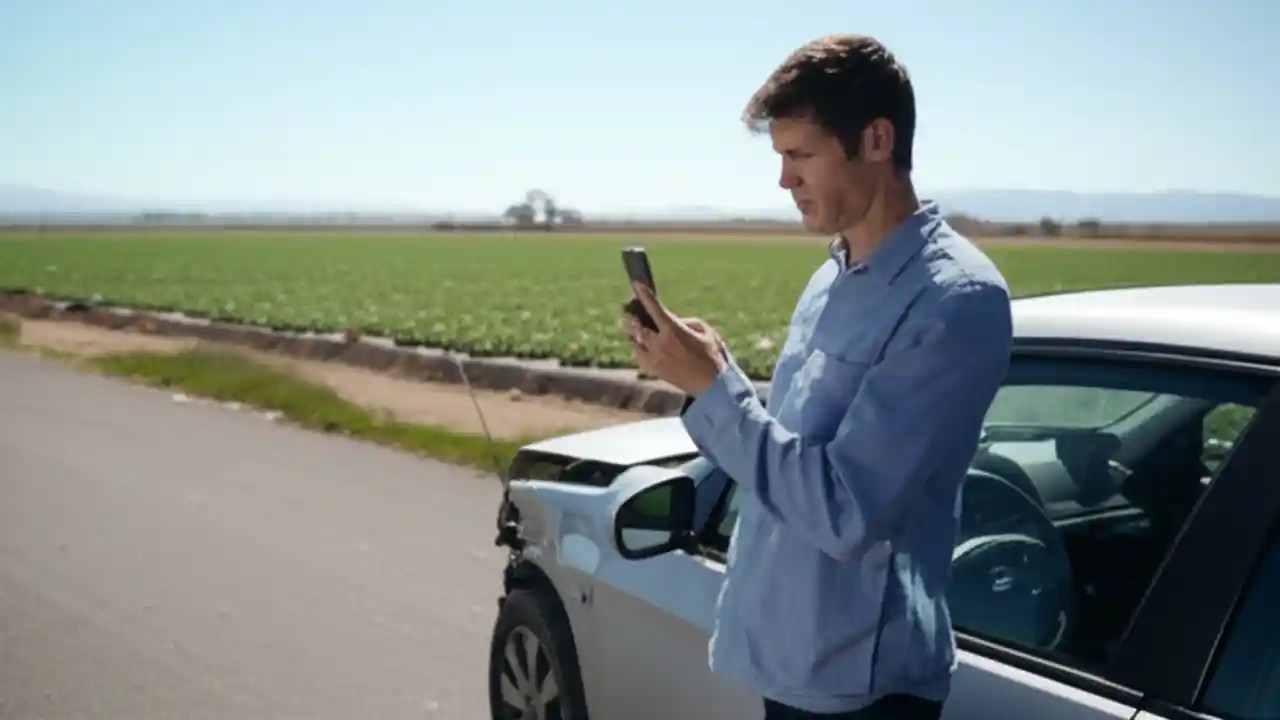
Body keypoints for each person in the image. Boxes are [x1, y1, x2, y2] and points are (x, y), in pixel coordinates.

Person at [625, 34, 1014, 719]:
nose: (784, 180)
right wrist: (717, 374)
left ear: (876, 139)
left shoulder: (954, 301)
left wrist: (714, 390)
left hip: (861, 692)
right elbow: (791, 451)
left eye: (800, 155)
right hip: (791, 670)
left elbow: (843, 511)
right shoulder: (831, 275)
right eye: (780, 157)